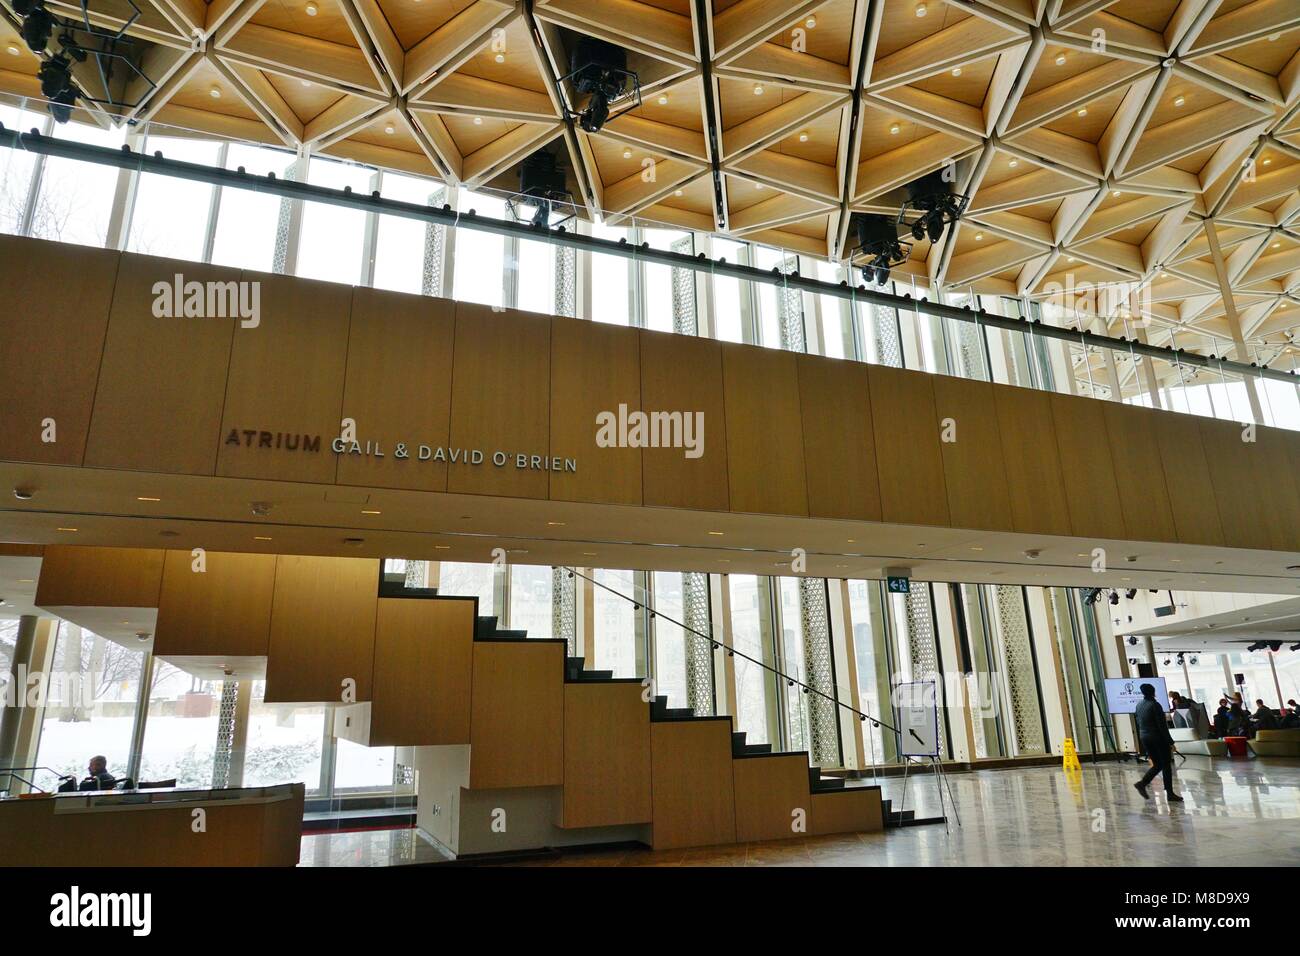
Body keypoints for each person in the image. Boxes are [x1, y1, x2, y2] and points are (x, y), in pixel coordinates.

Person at [1134, 683, 1183, 803]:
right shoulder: (1155, 705)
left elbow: (1139, 721)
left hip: (1144, 737)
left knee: (1157, 764)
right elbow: (1162, 726)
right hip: (1157, 738)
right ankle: (1170, 794)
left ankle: (1142, 783)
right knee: (1166, 765)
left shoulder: (1139, 705)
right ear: (1153, 691)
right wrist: (1170, 742)